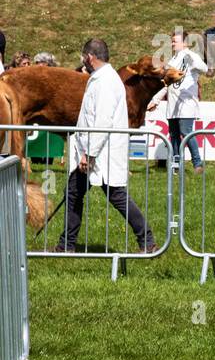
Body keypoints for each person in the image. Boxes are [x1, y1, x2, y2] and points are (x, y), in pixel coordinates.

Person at [55, 39, 158, 254]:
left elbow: (102, 121)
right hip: (94, 151)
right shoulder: (101, 79)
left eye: (84, 57)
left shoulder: (106, 82)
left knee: (116, 195)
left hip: (100, 152)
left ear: (90, 57)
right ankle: (66, 245)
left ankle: (147, 240)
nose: (83, 62)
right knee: (73, 192)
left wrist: (89, 154)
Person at [148, 29, 208, 172]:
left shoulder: (192, 56)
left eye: (175, 41)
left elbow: (204, 69)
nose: (173, 43)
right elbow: (166, 85)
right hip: (173, 104)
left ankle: (197, 164)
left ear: (185, 43)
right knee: (174, 135)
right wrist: (155, 100)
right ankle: (176, 164)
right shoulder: (172, 60)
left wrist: (190, 56)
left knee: (186, 132)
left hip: (187, 103)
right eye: (172, 41)